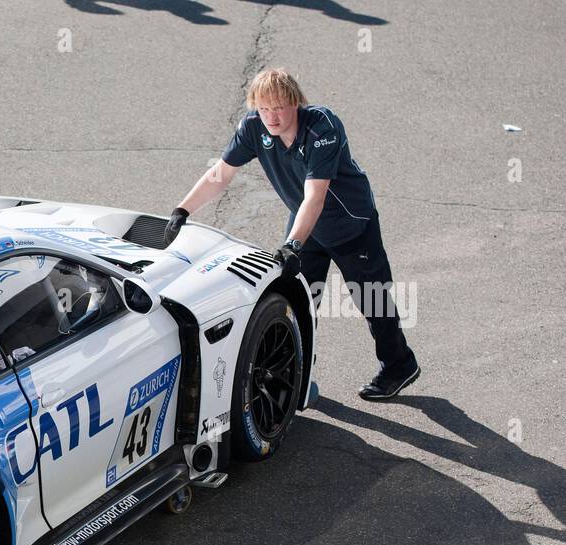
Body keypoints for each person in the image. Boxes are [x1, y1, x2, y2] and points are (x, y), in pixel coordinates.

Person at [164, 68, 420, 401]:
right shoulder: (253, 127)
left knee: (373, 300)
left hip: (350, 224)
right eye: (263, 107)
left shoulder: (322, 127)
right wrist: (182, 210)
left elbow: (317, 195)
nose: (271, 116)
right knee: (298, 302)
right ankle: (298, 378)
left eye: (279, 107)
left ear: (295, 102)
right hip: (306, 225)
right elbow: (220, 174)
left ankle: (400, 365)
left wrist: (292, 244)